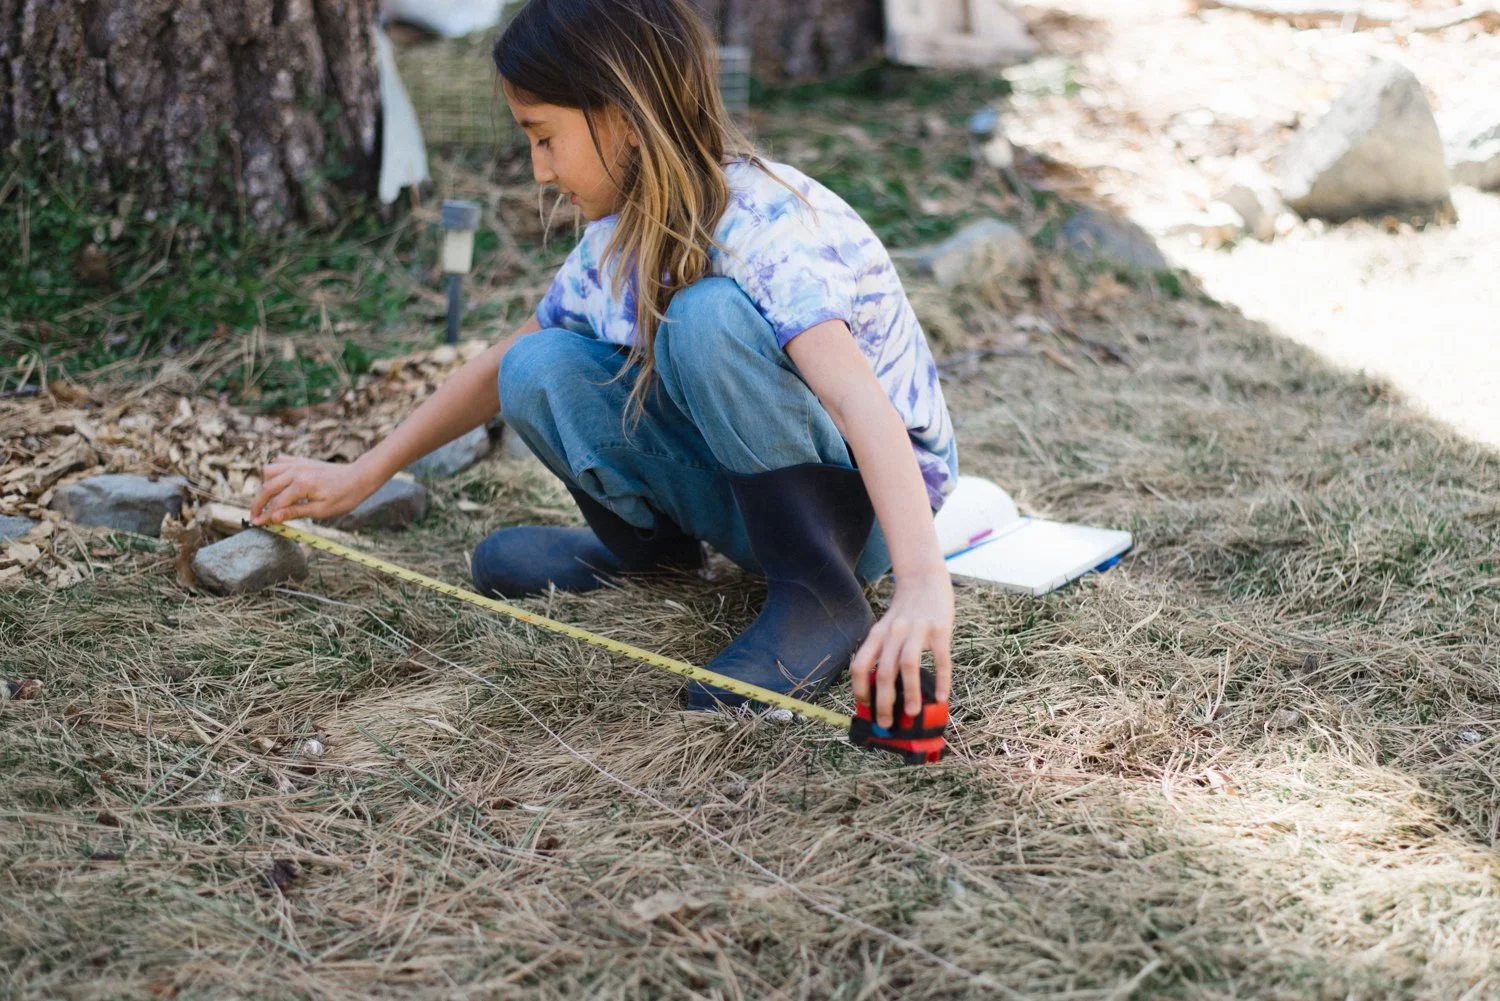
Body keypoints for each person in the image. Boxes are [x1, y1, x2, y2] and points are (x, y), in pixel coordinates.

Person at [249, 0, 959, 730]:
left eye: (545, 137)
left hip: (863, 515)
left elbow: (855, 400)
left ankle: (817, 590)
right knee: (534, 363)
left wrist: (922, 581)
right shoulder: (615, 238)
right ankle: (654, 554)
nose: (538, 169)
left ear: (622, 115)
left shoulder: (765, 227)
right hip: (751, 498)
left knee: (703, 317)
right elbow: (500, 365)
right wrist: (362, 475)